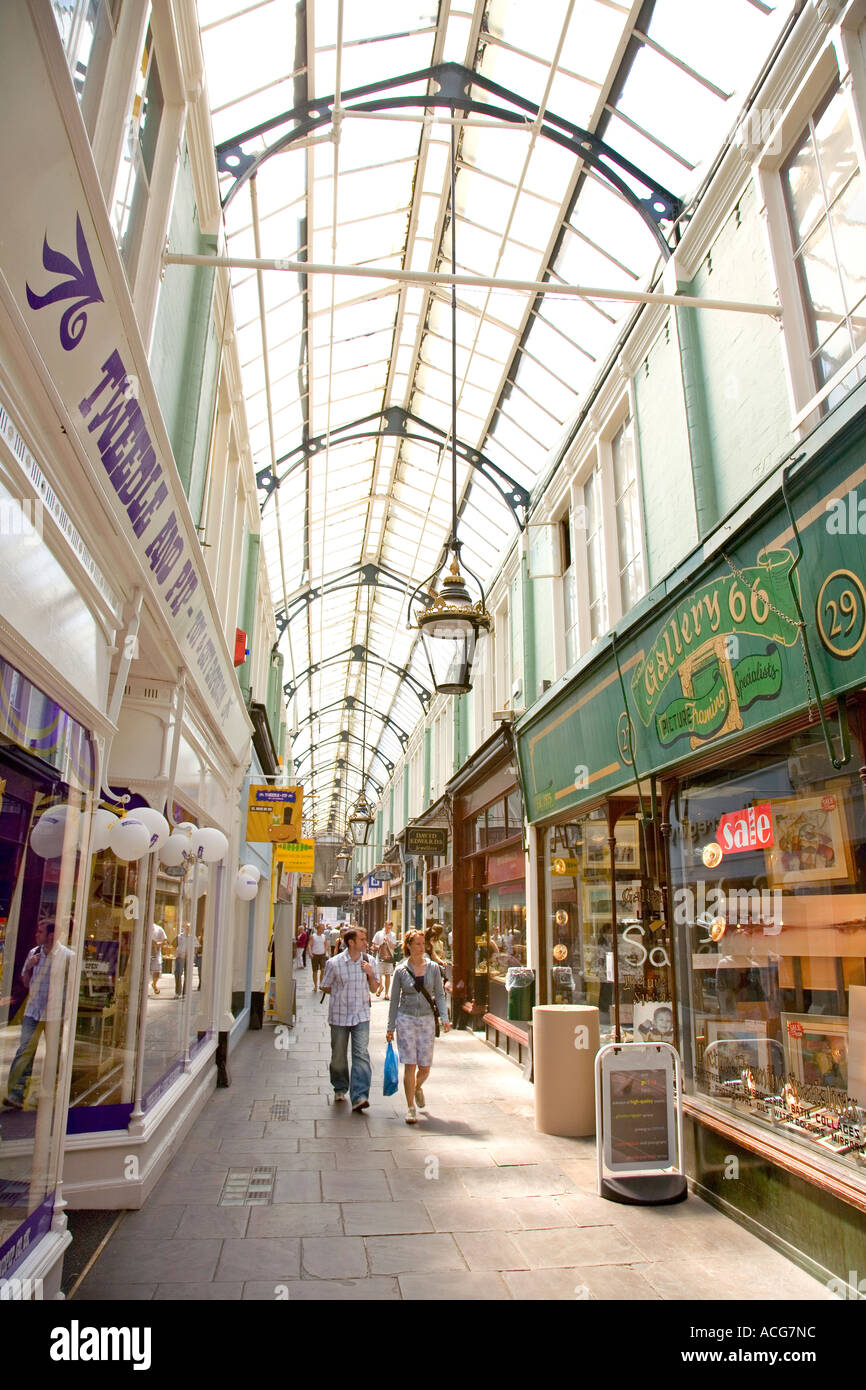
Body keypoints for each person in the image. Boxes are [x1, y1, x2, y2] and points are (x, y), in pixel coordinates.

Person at [2, 918, 74, 1110]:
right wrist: (29, 967)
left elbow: (72, 987)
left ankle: (48, 1093)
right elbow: (26, 983)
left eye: (40, 932)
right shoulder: (34, 953)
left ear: (51, 935)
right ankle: (15, 1093)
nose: (36, 935)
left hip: (55, 1014)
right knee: (25, 1052)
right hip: (33, 1012)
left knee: (54, 1054)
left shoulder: (67, 956)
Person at [386, 928, 451, 1125]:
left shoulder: (433, 968)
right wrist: (390, 1027)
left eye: (423, 944)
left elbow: (439, 994)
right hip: (405, 1018)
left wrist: (444, 1018)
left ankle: (417, 1087)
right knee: (410, 1064)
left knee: (425, 1067)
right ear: (408, 946)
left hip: (426, 1020)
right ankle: (410, 1108)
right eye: (417, 944)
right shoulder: (400, 970)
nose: (422, 947)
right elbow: (394, 999)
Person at [320, 926, 380, 1111]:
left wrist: (370, 973)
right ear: (351, 942)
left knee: (361, 1054)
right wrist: (341, 994)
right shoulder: (334, 963)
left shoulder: (369, 961)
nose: (365, 942)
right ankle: (340, 1087)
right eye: (362, 939)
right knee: (338, 1056)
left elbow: (375, 988)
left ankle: (360, 1096)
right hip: (339, 1015)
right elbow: (325, 986)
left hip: (361, 1015)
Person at [372, 923, 398, 999]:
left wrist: (388, 941)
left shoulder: (392, 935)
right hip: (380, 957)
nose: (387, 930)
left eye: (389, 928)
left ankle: (386, 994)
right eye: (386, 927)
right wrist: (379, 946)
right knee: (379, 973)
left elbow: (393, 947)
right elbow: (374, 944)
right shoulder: (379, 934)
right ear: (384, 926)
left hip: (389, 957)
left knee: (388, 974)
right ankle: (380, 986)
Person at [308, 922, 328, 990]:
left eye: (323, 929)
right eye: (321, 928)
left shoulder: (324, 936)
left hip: (322, 955)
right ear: (318, 929)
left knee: (323, 970)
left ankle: (321, 984)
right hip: (315, 955)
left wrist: (325, 951)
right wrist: (310, 953)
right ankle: (315, 986)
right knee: (315, 971)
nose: (322, 930)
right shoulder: (313, 936)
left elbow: (326, 944)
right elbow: (309, 945)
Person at [175, 922, 192, 998]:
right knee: (178, 973)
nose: (187, 929)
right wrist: (177, 953)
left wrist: (191, 954)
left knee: (187, 975)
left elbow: (196, 946)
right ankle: (178, 992)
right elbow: (174, 945)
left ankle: (185, 993)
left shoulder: (192, 937)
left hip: (188, 958)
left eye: (189, 927)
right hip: (180, 956)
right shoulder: (179, 937)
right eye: (186, 927)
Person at [150, 920, 167, 995]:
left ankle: (154, 983)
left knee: (157, 971)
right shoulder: (144, 928)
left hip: (156, 953)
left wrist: (157, 944)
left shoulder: (159, 929)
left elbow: (165, 941)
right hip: (145, 953)